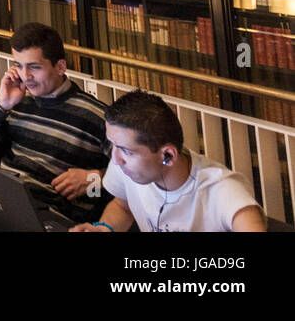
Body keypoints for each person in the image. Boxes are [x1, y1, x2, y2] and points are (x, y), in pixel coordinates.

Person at [0, 21, 108, 221]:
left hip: (49, 214)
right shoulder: (18, 100)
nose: (26, 77)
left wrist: (95, 178)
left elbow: (135, 173)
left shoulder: (95, 115)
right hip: (2, 200)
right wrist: (2, 103)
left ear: (60, 67)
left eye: (34, 67)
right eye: (19, 66)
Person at [72, 90, 266, 233]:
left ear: (168, 156)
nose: (115, 159)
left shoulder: (222, 191)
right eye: (113, 145)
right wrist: (105, 229)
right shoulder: (126, 167)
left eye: (126, 151)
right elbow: (123, 206)